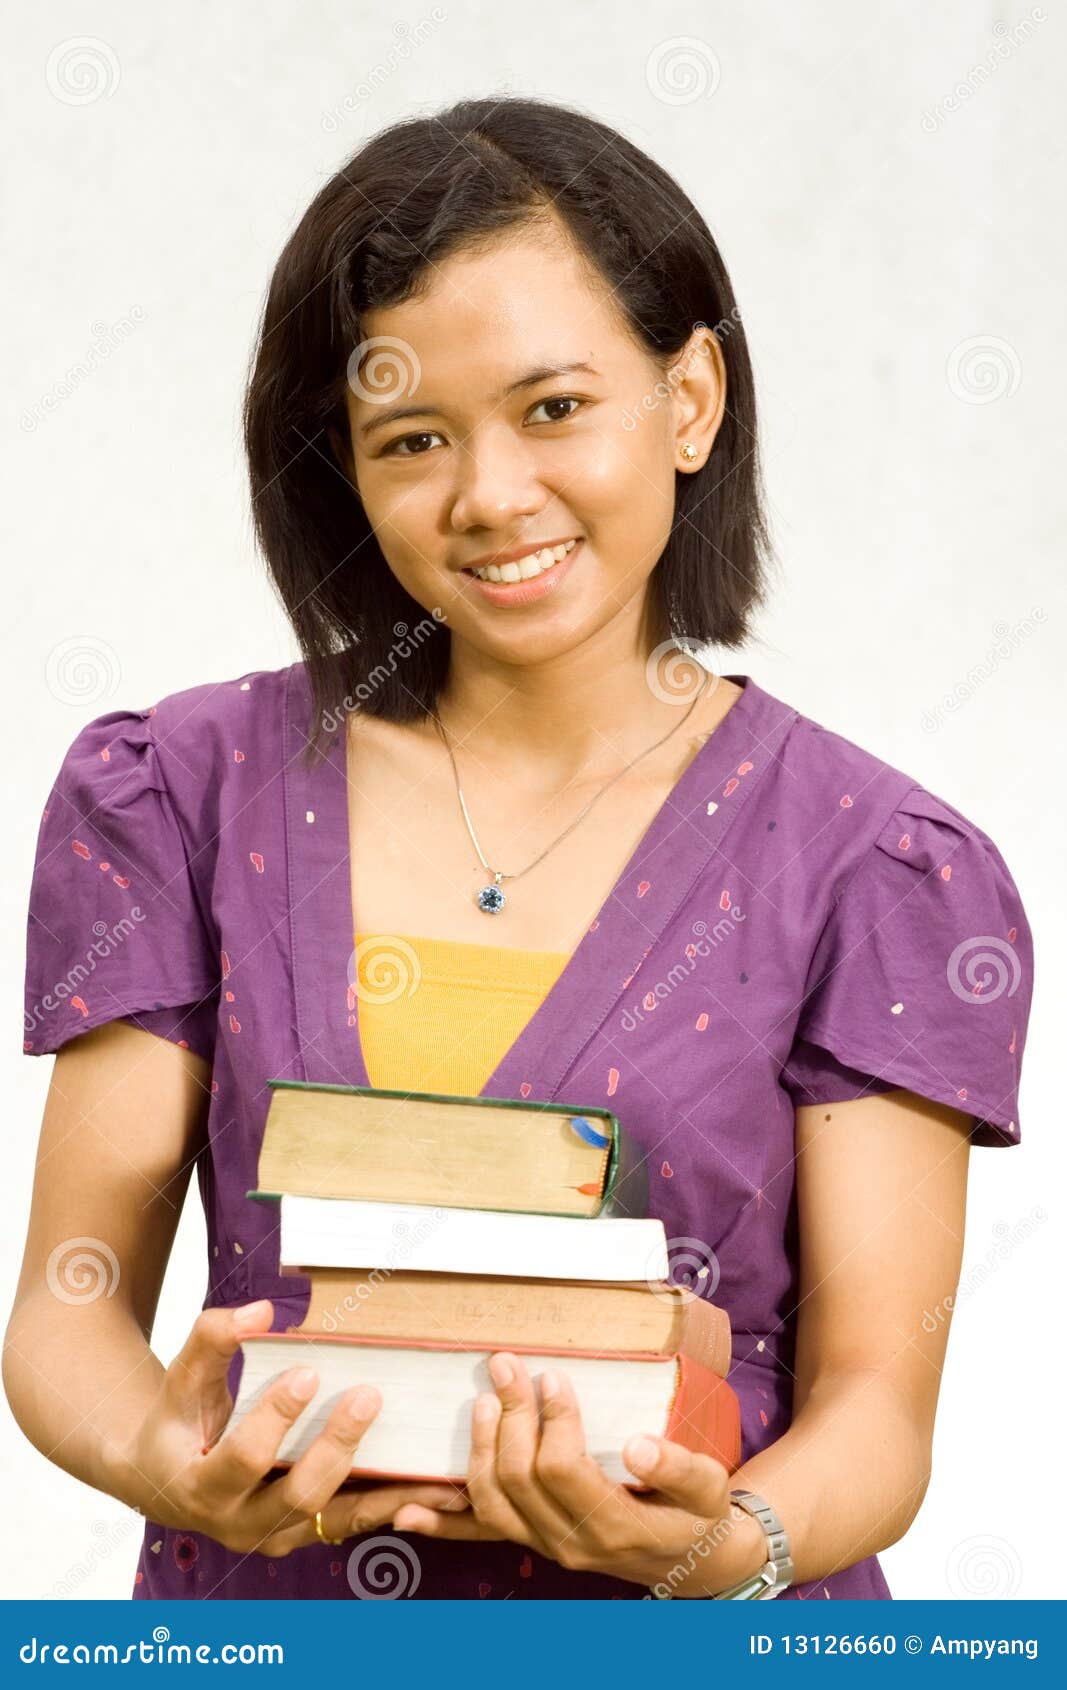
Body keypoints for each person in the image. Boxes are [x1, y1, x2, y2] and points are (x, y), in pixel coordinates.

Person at [7, 95, 1033, 1601]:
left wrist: (715, 1548)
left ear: (690, 401)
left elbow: (877, 1407)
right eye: (412, 437)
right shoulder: (179, 793)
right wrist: (169, 1462)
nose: (489, 497)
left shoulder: (876, 867)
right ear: (342, 466)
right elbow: (63, 1307)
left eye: (555, 408)